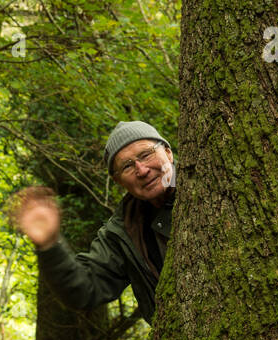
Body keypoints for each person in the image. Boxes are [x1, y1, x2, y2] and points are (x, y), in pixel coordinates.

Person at [11, 121, 175, 325]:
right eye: (127, 166)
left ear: (168, 152)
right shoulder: (123, 230)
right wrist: (49, 244)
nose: (141, 170)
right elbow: (84, 289)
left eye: (145, 155)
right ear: (119, 181)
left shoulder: (210, 188)